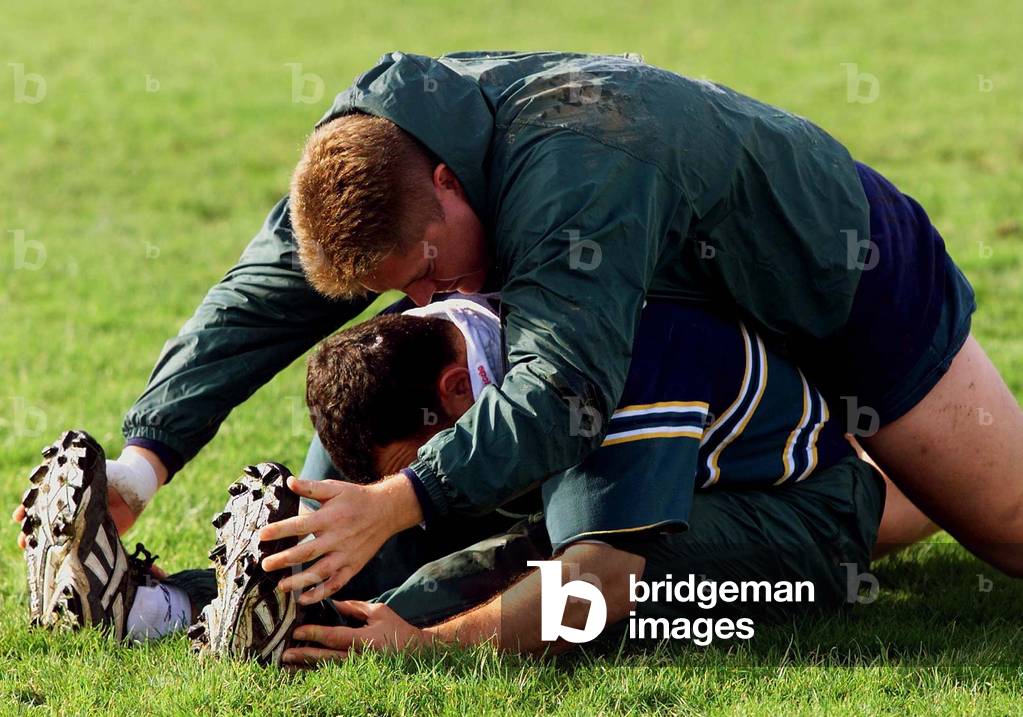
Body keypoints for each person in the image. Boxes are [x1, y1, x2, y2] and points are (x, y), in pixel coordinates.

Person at [14, 51, 1020, 598]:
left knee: (1005, 529)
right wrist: (139, 468)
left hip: (842, 273)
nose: (420, 304)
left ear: (451, 189)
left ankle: (877, 483)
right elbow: (254, 303)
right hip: (691, 297)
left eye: (423, 274)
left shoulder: (577, 170)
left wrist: (403, 499)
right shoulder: (368, 161)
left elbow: (563, 393)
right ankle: (212, 600)